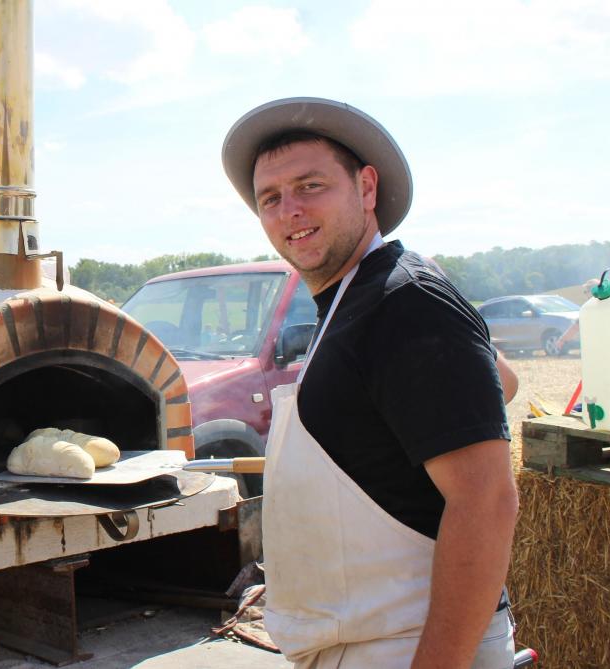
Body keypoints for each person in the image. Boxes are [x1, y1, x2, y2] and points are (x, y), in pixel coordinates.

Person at [221, 98, 519, 668]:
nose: (290, 211)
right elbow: (498, 381)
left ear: (366, 188)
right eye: (271, 198)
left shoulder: (404, 301)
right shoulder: (357, 299)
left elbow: (487, 501)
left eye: (310, 186)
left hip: (409, 646)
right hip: (363, 641)